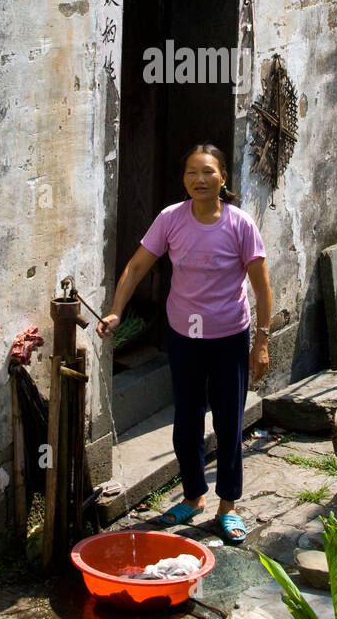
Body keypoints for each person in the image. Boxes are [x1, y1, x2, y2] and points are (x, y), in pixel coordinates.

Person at [97, 143, 272, 543]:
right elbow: (138, 265)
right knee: (186, 420)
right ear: (184, 179)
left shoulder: (240, 224)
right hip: (184, 337)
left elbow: (262, 286)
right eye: (192, 172)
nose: (200, 180)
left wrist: (261, 341)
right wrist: (116, 311)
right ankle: (193, 497)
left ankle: (228, 506)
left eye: (208, 172)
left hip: (229, 336)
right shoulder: (171, 220)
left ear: (223, 177)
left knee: (229, 421)